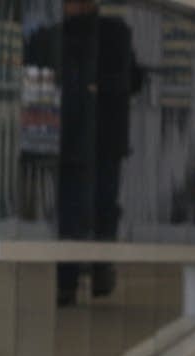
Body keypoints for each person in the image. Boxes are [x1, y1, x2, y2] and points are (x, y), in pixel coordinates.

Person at [26, 0, 141, 304]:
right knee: (102, 206)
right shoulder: (115, 34)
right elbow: (134, 80)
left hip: (72, 139)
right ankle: (99, 268)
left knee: (71, 210)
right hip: (100, 139)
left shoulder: (48, 38)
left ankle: (68, 282)